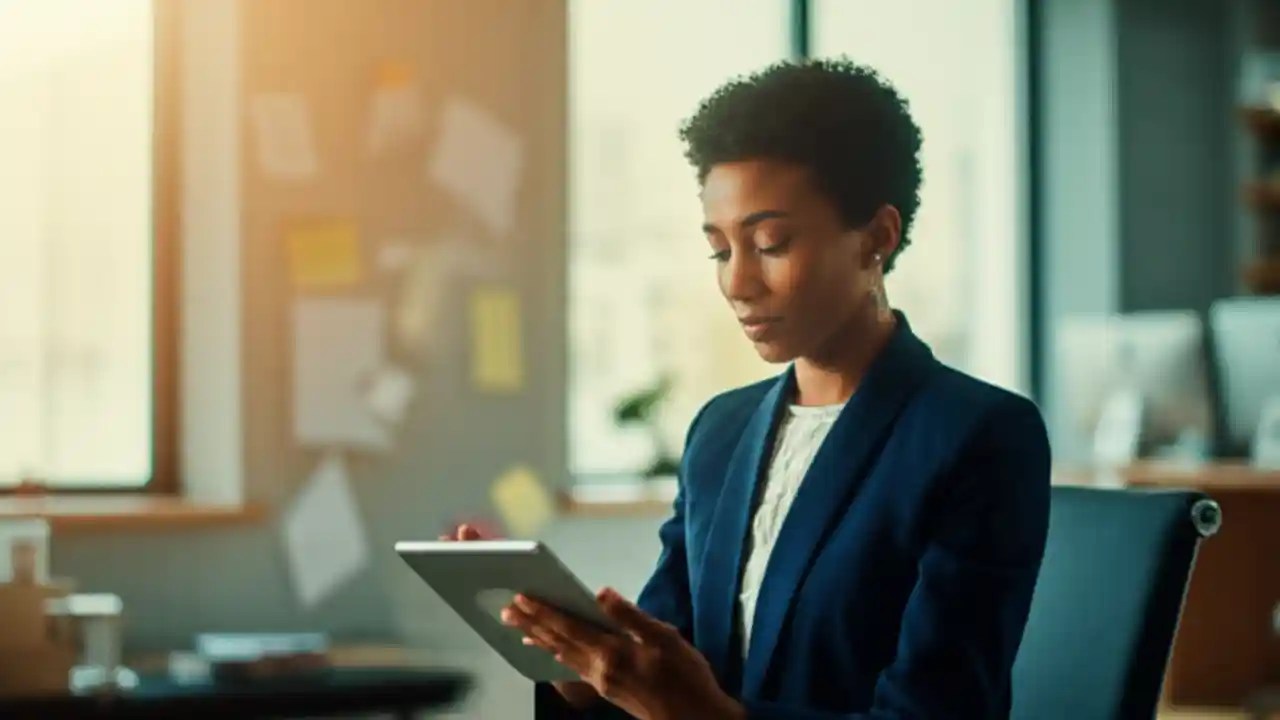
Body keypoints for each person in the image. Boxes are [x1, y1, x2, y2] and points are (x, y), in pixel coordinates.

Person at [449, 58, 1052, 719]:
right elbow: (663, 675)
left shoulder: (976, 435)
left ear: (876, 238)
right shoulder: (721, 432)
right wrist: (582, 667)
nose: (737, 283)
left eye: (770, 242)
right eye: (719, 250)